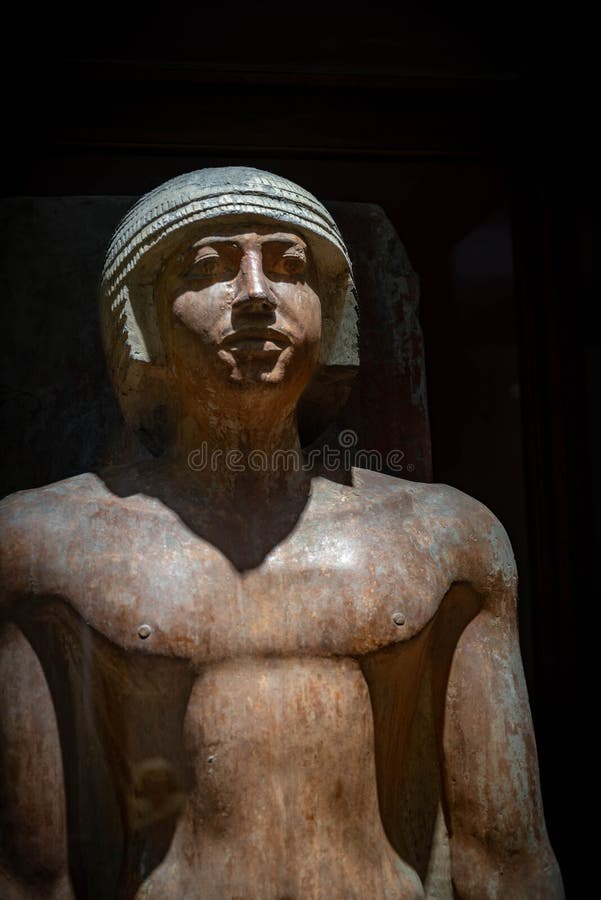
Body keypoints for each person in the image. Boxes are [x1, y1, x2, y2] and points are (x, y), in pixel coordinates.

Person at [0, 168, 563, 899]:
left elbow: (506, 859)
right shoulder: (44, 546)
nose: (257, 294)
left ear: (332, 310)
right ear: (142, 317)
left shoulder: (447, 538)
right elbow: (32, 877)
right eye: (209, 266)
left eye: (290, 266)